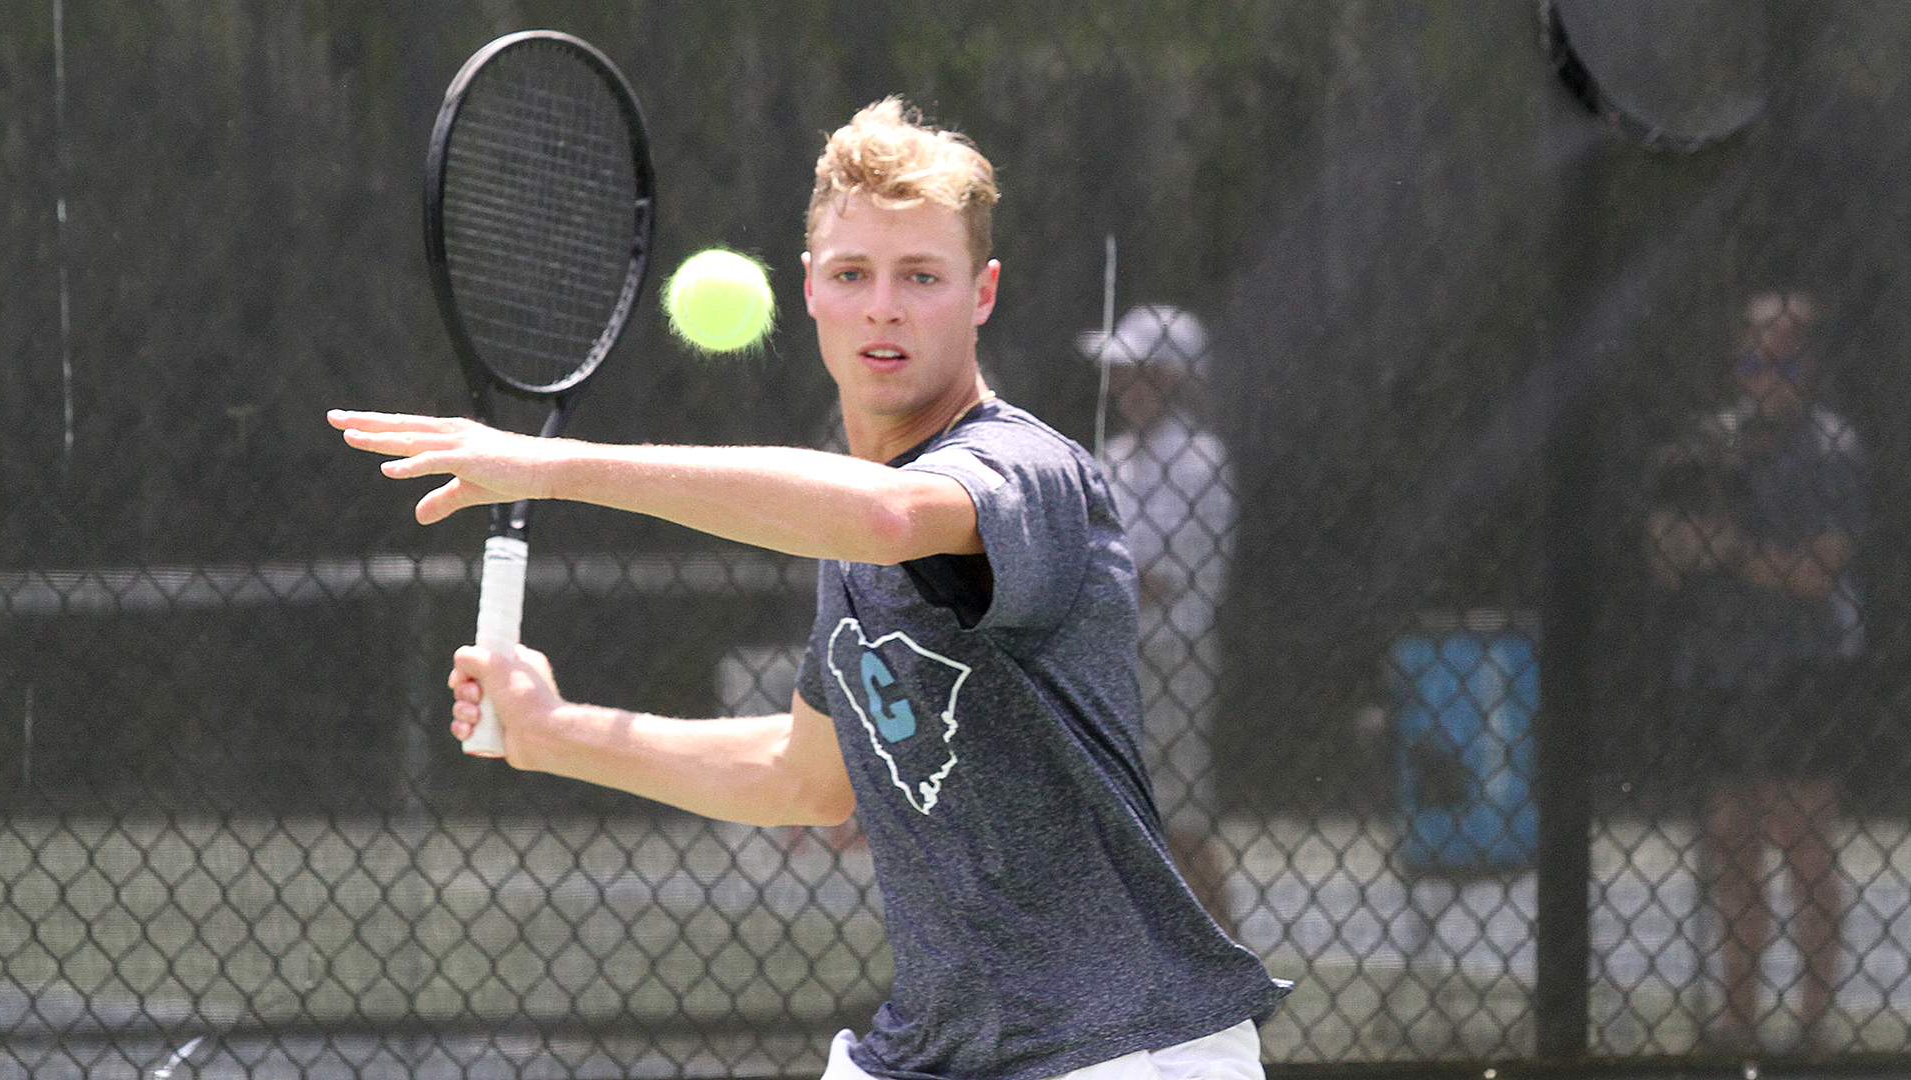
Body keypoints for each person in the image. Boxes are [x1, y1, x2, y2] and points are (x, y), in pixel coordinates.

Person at [332, 97, 1287, 1080]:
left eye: (922, 276)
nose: (884, 306)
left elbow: (890, 518)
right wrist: (554, 731)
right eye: (852, 274)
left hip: (1126, 1048)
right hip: (934, 1048)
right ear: (811, 290)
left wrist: (551, 468)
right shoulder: (849, 528)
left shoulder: (1024, 473)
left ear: (982, 293)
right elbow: (803, 777)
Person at [1644, 288, 1864, 1053]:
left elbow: (1815, 573)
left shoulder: (1832, 449)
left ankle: (1812, 1025)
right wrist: (1677, 535)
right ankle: (1735, 1023)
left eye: (1784, 362)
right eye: (1753, 362)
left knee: (1802, 843)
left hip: (1804, 667)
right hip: (1723, 668)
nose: (1766, 377)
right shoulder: (1711, 441)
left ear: (1812, 368)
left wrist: (1728, 549)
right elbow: (1670, 558)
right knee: (1731, 844)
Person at [1078, 304, 1238, 936]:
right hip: (1117, 657)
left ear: (1174, 378)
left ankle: (1227, 953)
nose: (1121, 383)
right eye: (1119, 371)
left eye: (1138, 370)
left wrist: (1077, 580)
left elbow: (1153, 577)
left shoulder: (1199, 459)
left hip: (1173, 654)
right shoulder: (1114, 457)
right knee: (1119, 817)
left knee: (1177, 817)